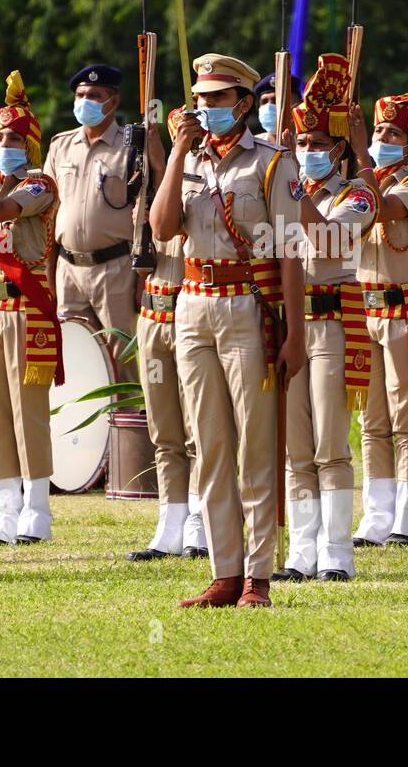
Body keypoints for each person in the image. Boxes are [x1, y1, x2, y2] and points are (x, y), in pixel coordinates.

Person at [150, 53, 306, 608]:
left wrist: (296, 332)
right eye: (200, 98)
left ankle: (258, 576)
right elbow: (163, 228)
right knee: (209, 445)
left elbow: (291, 251)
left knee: (256, 444)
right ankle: (224, 572)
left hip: (248, 305)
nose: (205, 107)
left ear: (243, 102)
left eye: (217, 98)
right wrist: (175, 155)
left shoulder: (270, 162)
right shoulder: (188, 161)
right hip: (192, 305)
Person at [271, 53, 378, 582]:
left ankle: (337, 551)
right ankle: (301, 550)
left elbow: (330, 235)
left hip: (333, 324)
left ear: (337, 149)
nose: (308, 152)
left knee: (330, 441)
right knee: (295, 445)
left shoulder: (357, 195)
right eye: (301, 143)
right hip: (292, 322)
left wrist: (290, 188)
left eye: (316, 144)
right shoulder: (286, 186)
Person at [0, 72, 62, 548]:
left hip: (26, 307)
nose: (5, 145)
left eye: (13, 138)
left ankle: (37, 508)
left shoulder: (40, 184)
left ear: (31, 144)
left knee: (28, 409)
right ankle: (6, 508)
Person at [352, 70, 408, 548]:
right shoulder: (360, 179)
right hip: (363, 309)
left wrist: (361, 153)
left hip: (405, 311)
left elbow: (379, 209)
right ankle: (375, 517)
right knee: (371, 420)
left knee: (407, 418)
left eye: (392, 134)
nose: (383, 138)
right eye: (379, 131)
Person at [125, 107, 207, 562]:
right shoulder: (152, 191)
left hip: (189, 311)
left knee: (199, 427)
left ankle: (199, 519)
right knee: (164, 429)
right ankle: (169, 519)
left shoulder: (203, 185)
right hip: (153, 316)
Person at [43, 63, 139, 378]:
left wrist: (142, 277)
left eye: (94, 95)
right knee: (72, 356)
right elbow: (48, 213)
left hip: (115, 268)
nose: (85, 101)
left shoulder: (130, 146)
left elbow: (144, 215)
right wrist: (48, 274)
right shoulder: (60, 145)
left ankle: (129, 426)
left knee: (121, 356)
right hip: (67, 268)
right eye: (81, 95)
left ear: (113, 101)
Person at [252, 71, 302, 142]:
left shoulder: (309, 144)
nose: (268, 106)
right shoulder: (251, 146)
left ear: (297, 105)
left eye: (276, 101)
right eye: (264, 102)